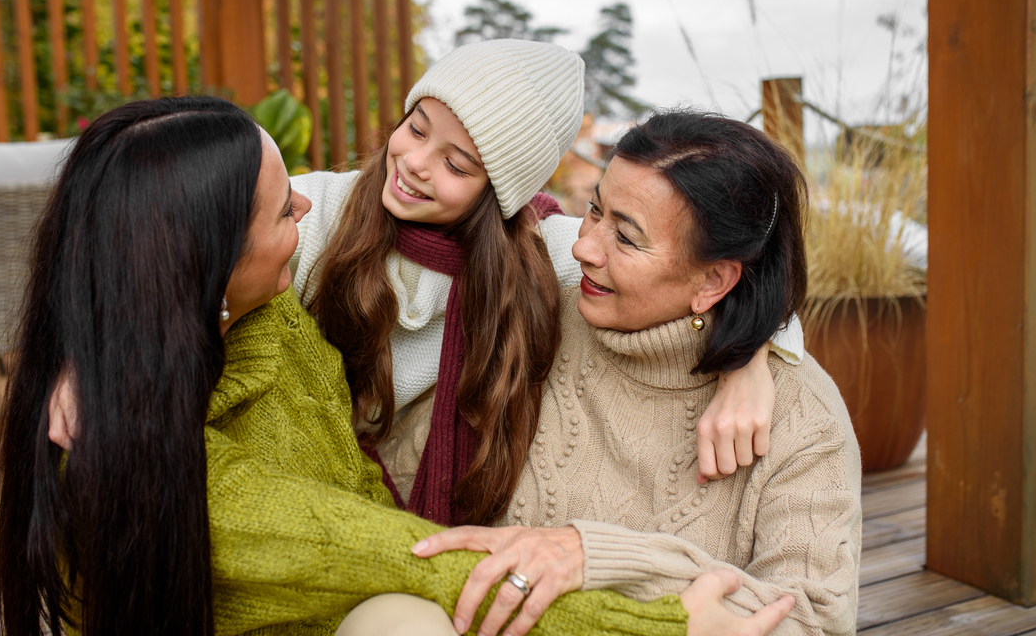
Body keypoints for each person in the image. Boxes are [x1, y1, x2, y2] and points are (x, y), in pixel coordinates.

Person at [0, 97, 826, 636]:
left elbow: (687, 268)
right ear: (203, 269)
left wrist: (754, 346)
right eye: (282, 213)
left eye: (459, 159)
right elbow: (399, 555)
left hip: (334, 622)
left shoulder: (279, 317)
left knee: (413, 628)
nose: (306, 211)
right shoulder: (140, 455)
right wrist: (664, 634)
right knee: (418, 618)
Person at [415, 111, 863, 636]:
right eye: (594, 209)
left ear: (711, 283)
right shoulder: (540, 306)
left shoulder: (803, 417)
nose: (584, 247)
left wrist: (594, 557)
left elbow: (808, 635)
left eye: (626, 237)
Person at [291, 39, 805, 529]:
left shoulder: (539, 252)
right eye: (416, 128)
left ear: (501, 189)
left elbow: (747, 290)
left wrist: (746, 363)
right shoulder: (318, 213)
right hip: (303, 467)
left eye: (455, 164)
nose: (415, 163)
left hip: (405, 496)